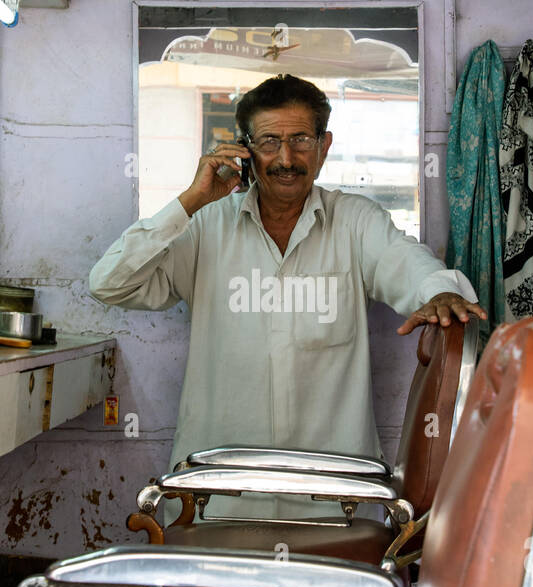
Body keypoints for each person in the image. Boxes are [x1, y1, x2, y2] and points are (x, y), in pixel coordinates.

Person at [89, 73, 487, 518]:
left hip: (336, 497)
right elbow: (110, 283)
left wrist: (438, 292)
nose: (285, 158)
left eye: (300, 139)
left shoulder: (354, 222)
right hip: (218, 498)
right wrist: (190, 200)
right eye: (268, 142)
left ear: (324, 145)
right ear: (245, 150)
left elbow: (409, 264)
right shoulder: (204, 227)